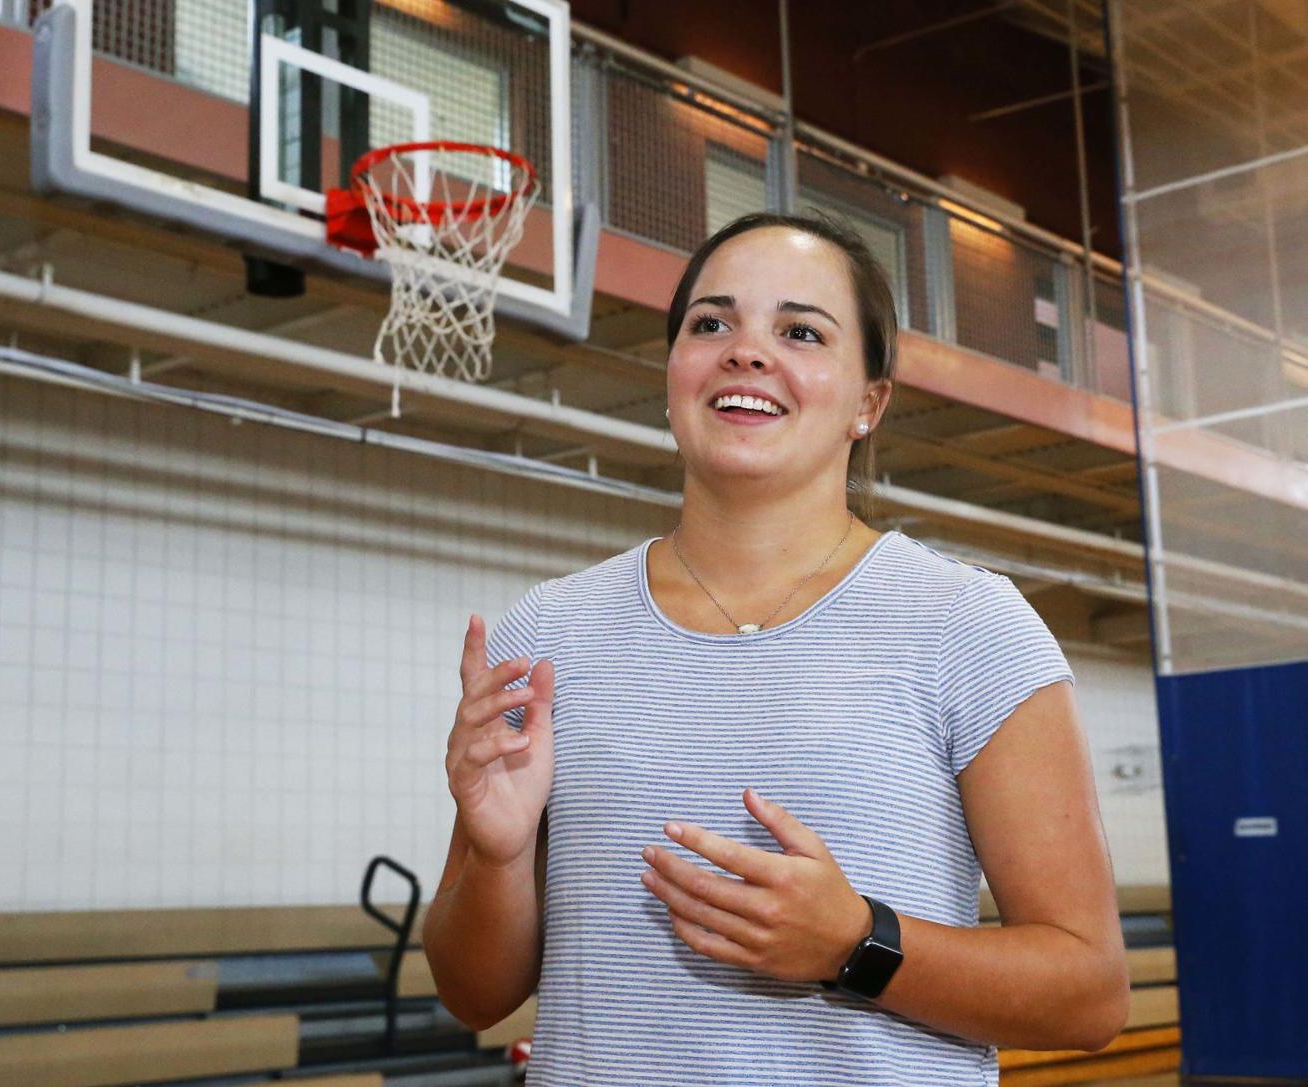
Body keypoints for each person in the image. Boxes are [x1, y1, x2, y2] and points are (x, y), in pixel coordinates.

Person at [423, 212, 1130, 1085]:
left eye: (799, 331)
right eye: (710, 323)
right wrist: (496, 860)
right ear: (672, 372)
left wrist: (853, 943)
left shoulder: (967, 625)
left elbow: (1089, 990)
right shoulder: (549, 634)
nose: (745, 351)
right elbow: (471, 992)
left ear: (867, 402)